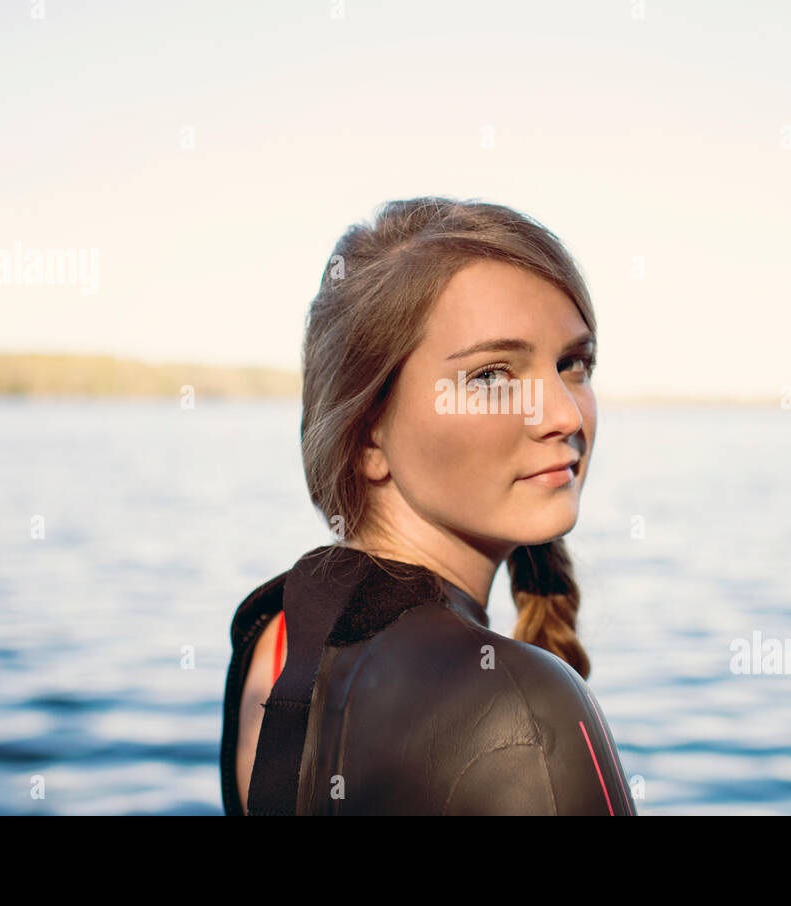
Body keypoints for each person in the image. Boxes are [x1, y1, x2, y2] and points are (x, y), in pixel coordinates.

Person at [219, 197, 636, 815]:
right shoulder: (522, 706)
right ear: (368, 435)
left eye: (573, 363)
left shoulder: (279, 630)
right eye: (493, 377)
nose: (565, 415)